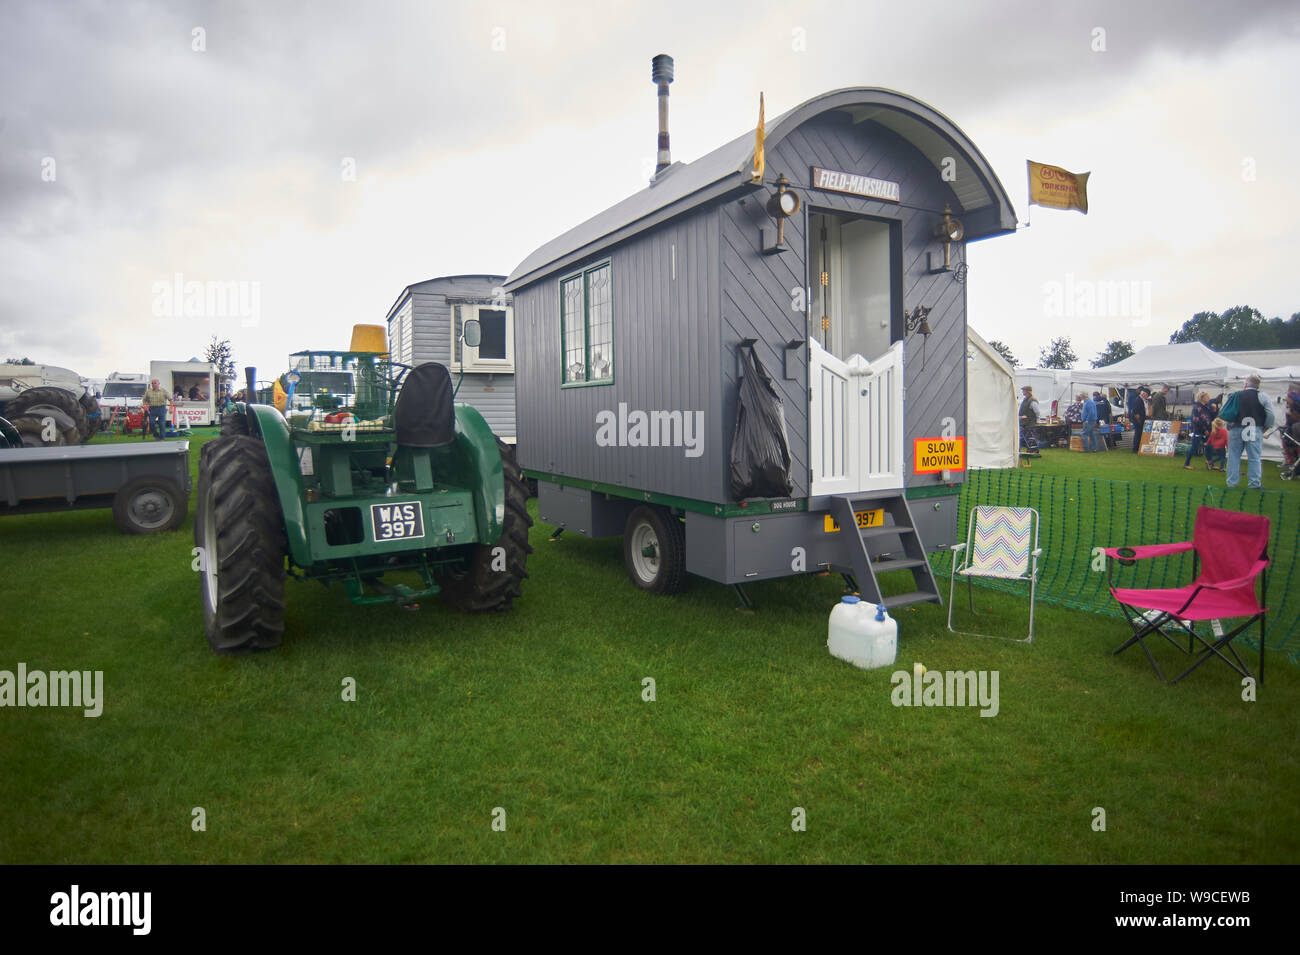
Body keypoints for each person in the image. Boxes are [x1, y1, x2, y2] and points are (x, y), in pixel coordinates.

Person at [1223, 374, 1276, 489]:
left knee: (1233, 456)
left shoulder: (1236, 395)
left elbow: (1227, 412)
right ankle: (1254, 483)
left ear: (1246, 384)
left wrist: (1229, 425)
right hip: (1253, 428)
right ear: (1258, 385)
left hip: (1236, 428)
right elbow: (1271, 414)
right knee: (1254, 457)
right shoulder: (1263, 396)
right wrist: (1266, 427)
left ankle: (1231, 483)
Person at [1183, 390, 1213, 470]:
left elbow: (1210, 418)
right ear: (1202, 398)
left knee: (1209, 446)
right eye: (1207, 397)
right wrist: (1204, 429)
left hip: (1207, 430)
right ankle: (1186, 463)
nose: (1209, 398)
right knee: (1194, 447)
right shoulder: (1196, 407)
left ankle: (1209, 463)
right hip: (1198, 430)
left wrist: (1215, 409)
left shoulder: (1206, 407)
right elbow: (1196, 419)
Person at [1018, 385, 1041, 455]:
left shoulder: (1032, 400)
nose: (1022, 392)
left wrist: (1037, 421)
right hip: (1025, 422)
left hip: (1030, 422)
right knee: (1026, 437)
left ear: (1027, 391)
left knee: (1030, 437)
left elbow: (1037, 412)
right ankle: (1030, 450)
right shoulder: (1026, 399)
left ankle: (1033, 451)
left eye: (1023, 390)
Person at [1126, 386, 1147, 453]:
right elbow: (1135, 411)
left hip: (1138, 419)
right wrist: (1138, 420)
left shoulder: (1138, 398)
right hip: (1138, 420)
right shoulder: (1137, 399)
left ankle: (1137, 447)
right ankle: (1135, 448)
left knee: (1138, 434)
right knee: (1138, 434)